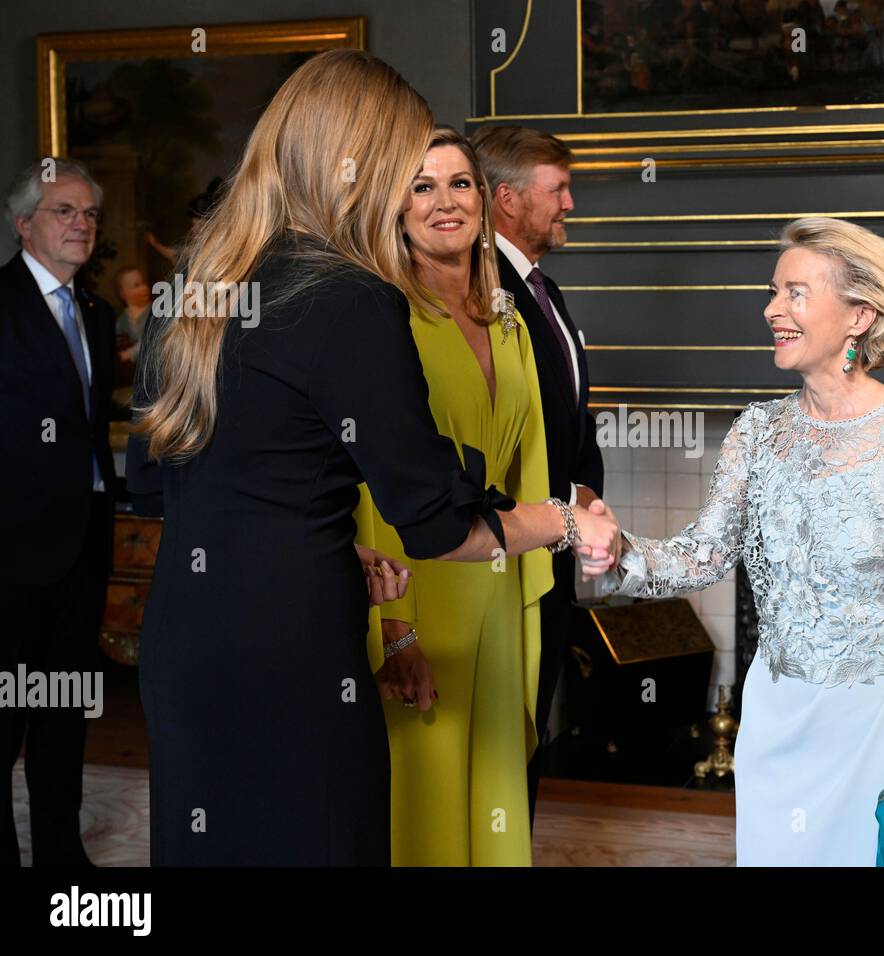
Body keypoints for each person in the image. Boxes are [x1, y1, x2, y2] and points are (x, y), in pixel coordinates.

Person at [126, 49, 619, 866]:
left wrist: (321, 536)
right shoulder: (350, 295)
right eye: (401, 166)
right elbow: (432, 523)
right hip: (294, 646)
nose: (407, 191)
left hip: (189, 634)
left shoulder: (202, 280)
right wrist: (565, 519)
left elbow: (177, 483)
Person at [589, 216, 884, 866]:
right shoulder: (756, 434)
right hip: (779, 719)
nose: (772, 309)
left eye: (794, 293)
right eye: (774, 291)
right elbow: (703, 555)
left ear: (859, 314)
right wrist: (618, 555)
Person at [353, 126, 552, 865]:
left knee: (496, 793)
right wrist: (394, 629)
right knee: (427, 806)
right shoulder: (383, 318)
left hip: (498, 585)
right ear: (395, 208)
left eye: (460, 183)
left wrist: (535, 576)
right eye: (422, 186)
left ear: (483, 199)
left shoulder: (508, 323)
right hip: (420, 585)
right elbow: (369, 481)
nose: (445, 202)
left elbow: (527, 460)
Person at [470, 125, 605, 824]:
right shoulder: (475, 293)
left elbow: (569, 419)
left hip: (550, 544)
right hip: (500, 555)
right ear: (507, 199)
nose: (571, 204)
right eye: (558, 189)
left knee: (530, 724)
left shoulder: (541, 288)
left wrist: (584, 491)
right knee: (505, 732)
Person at [0, 158, 118, 867]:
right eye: (63, 211)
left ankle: (59, 852)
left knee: (64, 710)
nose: (82, 224)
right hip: (10, 551)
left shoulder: (97, 314)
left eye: (89, 214)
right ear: (23, 225)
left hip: (83, 544)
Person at [113, 265, 150, 364]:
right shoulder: (123, 319)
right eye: (136, 285)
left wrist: (129, 354)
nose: (144, 288)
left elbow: (151, 339)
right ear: (123, 294)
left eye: (144, 283)